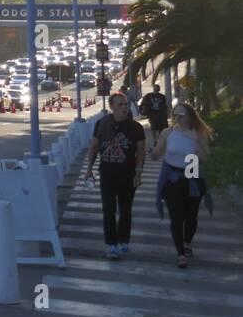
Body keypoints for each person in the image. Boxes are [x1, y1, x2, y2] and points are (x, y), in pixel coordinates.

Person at [83, 91, 146, 259]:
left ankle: (123, 240)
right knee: (109, 209)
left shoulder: (135, 128)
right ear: (112, 107)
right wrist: (89, 170)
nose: (124, 108)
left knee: (125, 209)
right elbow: (94, 147)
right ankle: (110, 244)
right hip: (107, 174)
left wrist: (138, 173)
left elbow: (141, 151)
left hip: (128, 174)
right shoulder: (102, 124)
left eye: (125, 104)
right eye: (120, 105)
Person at [151, 101, 214, 269]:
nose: (177, 118)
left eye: (181, 115)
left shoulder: (198, 133)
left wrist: (195, 141)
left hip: (192, 171)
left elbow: (205, 158)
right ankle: (180, 253)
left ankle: (187, 243)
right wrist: (152, 153)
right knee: (176, 216)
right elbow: (157, 153)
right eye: (175, 114)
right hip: (172, 175)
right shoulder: (167, 132)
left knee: (191, 215)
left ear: (190, 116)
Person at [139, 83, 170, 148]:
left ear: (158, 89)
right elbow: (144, 103)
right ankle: (155, 140)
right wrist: (143, 110)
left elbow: (164, 106)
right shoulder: (148, 96)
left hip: (160, 115)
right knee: (154, 128)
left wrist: (166, 113)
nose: (156, 90)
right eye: (155, 88)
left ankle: (158, 140)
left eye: (157, 89)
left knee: (159, 129)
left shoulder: (162, 96)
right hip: (152, 114)